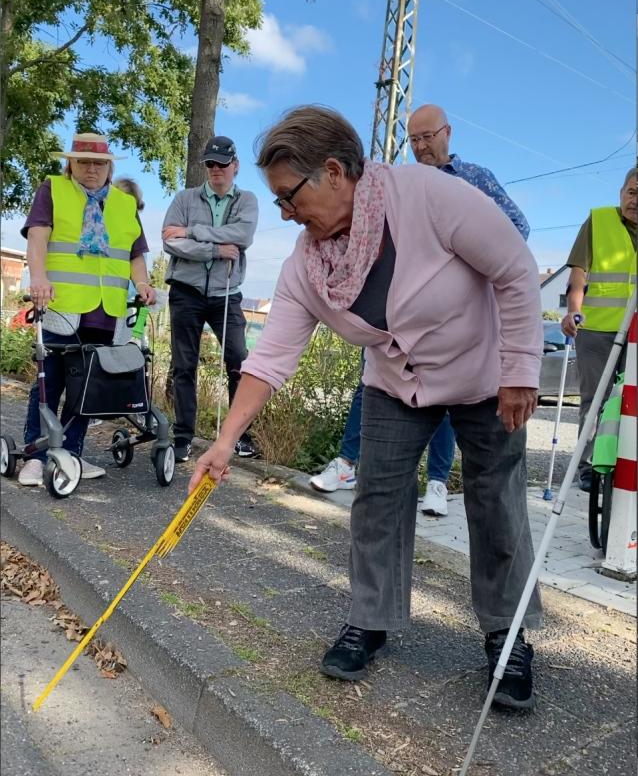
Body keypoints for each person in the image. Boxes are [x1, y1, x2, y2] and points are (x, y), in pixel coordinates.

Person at [189, 106, 543, 710]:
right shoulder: (308, 262)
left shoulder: (430, 196)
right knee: (376, 497)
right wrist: (223, 441)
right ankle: (371, 619)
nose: (284, 211)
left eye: (287, 195)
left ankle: (506, 637)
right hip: (395, 382)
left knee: (495, 500)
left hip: (484, 373)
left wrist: (520, 372)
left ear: (332, 172)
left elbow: (515, 270)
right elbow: (271, 356)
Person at [310, 103, 530, 520]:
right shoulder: (397, 185)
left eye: (428, 137)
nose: (421, 147)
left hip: (460, 323)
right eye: (413, 140)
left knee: (451, 403)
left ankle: (437, 483)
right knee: (373, 383)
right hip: (396, 318)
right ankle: (348, 462)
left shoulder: (475, 179)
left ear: (448, 133)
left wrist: (466, 250)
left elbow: (515, 232)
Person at [18, 132, 156, 487]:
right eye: (84, 162)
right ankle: (36, 455)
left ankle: (73, 454)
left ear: (109, 166)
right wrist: (38, 278)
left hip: (106, 311)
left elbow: (135, 254)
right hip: (61, 306)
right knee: (49, 382)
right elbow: (37, 237)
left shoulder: (125, 203)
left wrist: (141, 284)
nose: (91, 169)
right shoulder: (53, 189)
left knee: (88, 389)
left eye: (98, 163)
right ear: (71, 164)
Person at [162, 136, 259, 463]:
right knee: (184, 366)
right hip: (186, 292)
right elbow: (169, 242)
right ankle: (183, 436)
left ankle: (239, 436)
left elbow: (242, 236)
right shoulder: (184, 198)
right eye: (210, 164)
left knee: (240, 362)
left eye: (222, 163)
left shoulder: (247, 200)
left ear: (235, 165)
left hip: (227, 293)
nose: (216, 169)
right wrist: (215, 249)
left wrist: (191, 231)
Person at [561, 167, 636, 492]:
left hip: (635, 334)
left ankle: (626, 462)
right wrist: (573, 311)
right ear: (621, 192)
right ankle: (589, 466)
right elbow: (579, 274)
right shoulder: (599, 221)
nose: (635, 200)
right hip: (598, 332)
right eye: (632, 192)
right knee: (597, 399)